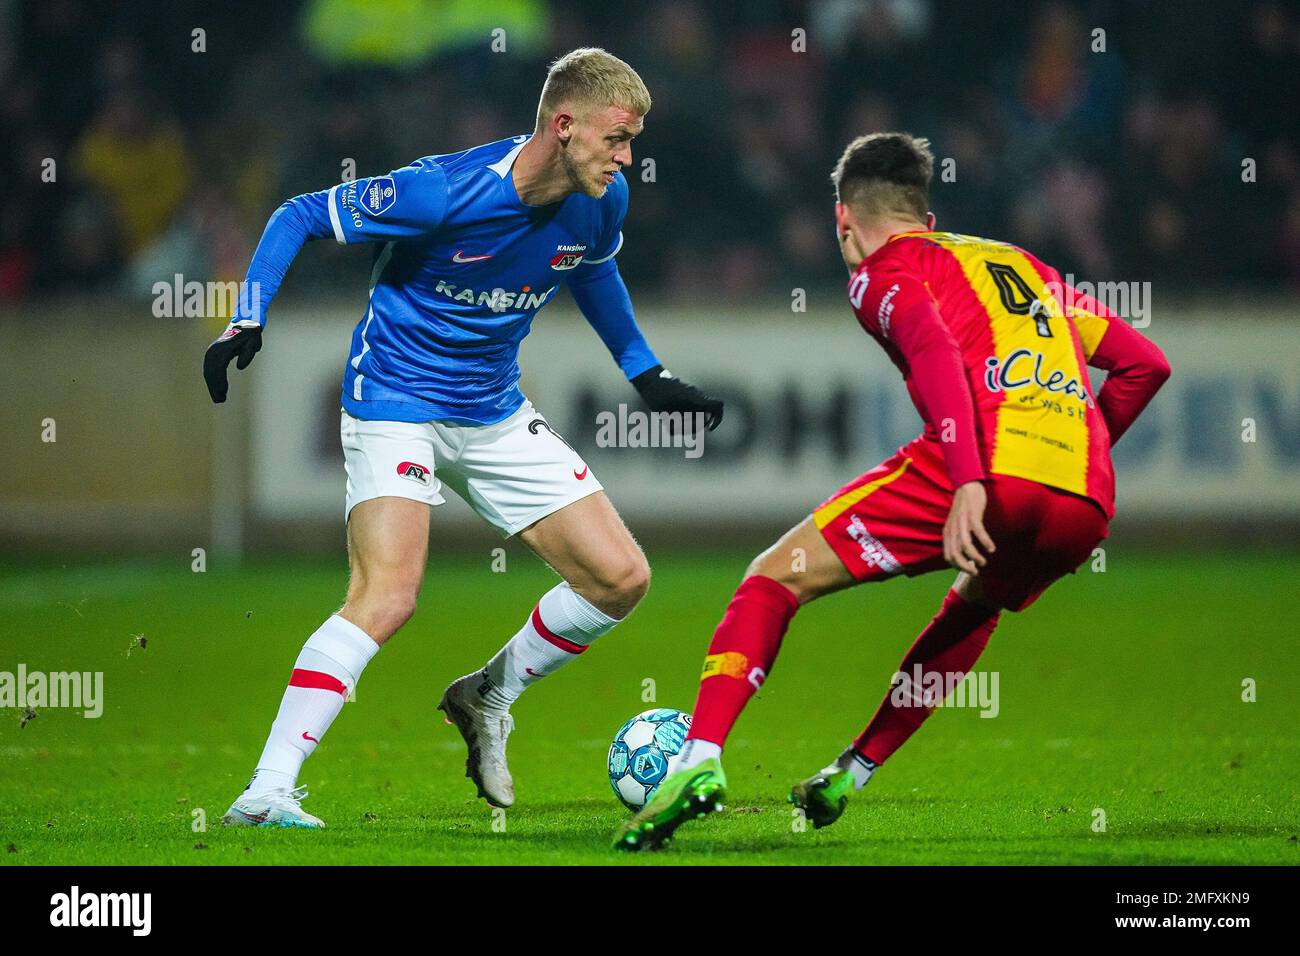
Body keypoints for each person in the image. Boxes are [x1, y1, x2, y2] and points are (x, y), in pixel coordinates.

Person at [207, 48, 723, 828]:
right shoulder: (439, 192)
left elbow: (591, 270)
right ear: (563, 125)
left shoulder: (600, 200)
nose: (627, 159)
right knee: (389, 594)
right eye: (617, 139)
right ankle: (267, 789)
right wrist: (249, 315)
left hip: (491, 409)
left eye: (632, 143)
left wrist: (646, 375)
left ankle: (487, 696)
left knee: (620, 578)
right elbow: (298, 215)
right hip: (394, 399)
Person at [615, 131, 1169, 851]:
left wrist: (972, 480)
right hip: (1083, 502)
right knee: (975, 606)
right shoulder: (1017, 264)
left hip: (985, 465)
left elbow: (936, 350)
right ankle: (852, 771)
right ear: (927, 217)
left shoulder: (882, 272)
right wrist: (1077, 452)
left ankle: (699, 760)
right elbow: (1144, 364)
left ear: (842, 218)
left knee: (772, 579)